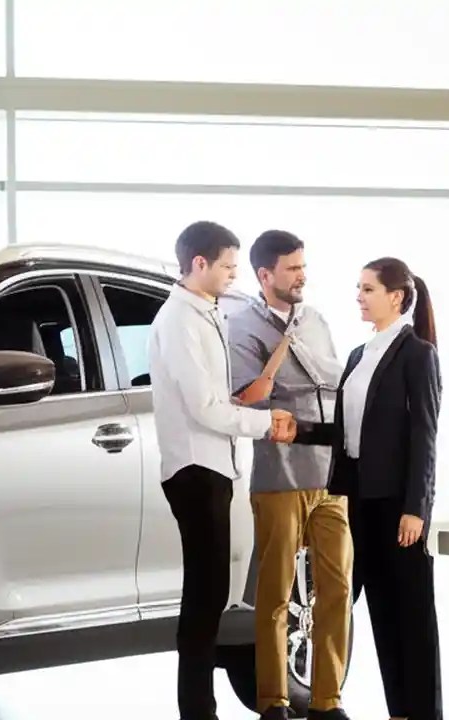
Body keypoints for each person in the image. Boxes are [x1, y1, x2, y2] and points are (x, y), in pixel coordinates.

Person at [148, 220, 295, 720]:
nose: (235, 274)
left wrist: (240, 406)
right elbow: (204, 408)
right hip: (194, 467)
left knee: (209, 594)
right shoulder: (180, 319)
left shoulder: (205, 312)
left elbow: (212, 398)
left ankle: (200, 709)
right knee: (204, 595)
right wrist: (263, 423)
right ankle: (197, 711)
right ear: (200, 264)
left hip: (212, 463)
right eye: (229, 266)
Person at [285, 257, 443, 720]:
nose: (359, 296)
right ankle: (399, 712)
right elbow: (347, 430)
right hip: (359, 499)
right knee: (380, 614)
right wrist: (299, 430)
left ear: (396, 297)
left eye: (368, 289)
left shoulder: (418, 354)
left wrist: (417, 508)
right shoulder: (358, 355)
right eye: (358, 288)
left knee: (412, 615)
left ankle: (423, 713)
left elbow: (424, 437)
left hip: (399, 505)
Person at [224, 231, 352, 720]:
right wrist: (284, 348)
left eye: (303, 266)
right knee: (274, 594)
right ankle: (273, 700)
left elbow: (335, 384)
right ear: (265, 275)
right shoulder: (241, 326)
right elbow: (249, 398)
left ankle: (327, 699)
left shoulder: (316, 320)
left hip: (331, 474)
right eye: (292, 268)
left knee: (336, 588)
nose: (302, 275)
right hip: (278, 474)